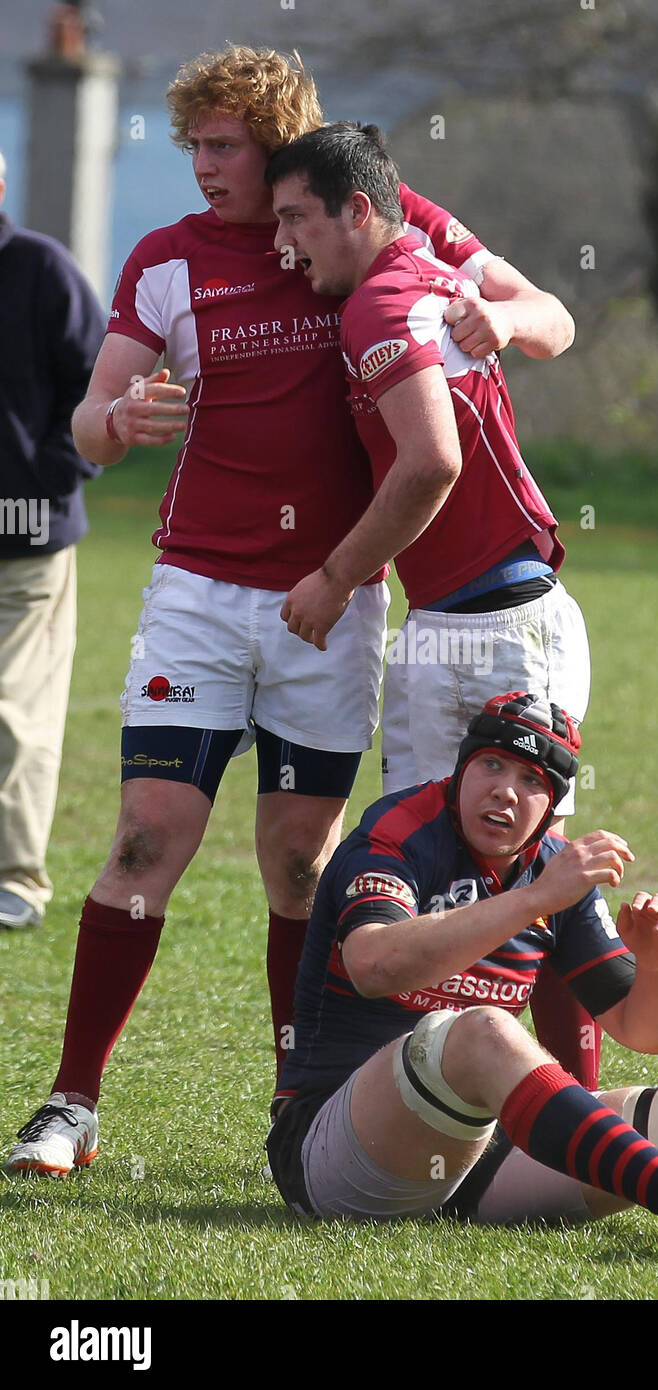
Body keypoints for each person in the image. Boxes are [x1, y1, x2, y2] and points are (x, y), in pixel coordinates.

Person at [4, 46, 575, 1177]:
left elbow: (546, 310)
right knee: (143, 839)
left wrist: (500, 322)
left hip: (335, 603)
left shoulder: (378, 217)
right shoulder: (166, 258)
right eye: (193, 146)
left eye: (224, 147)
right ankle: (70, 1102)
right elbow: (87, 421)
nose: (204, 169)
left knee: (298, 864)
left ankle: (294, 1097)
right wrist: (122, 419)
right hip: (198, 598)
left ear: (282, 151)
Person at [267, 693, 658, 1255]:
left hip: (474, 1162)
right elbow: (374, 965)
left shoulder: (554, 868)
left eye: (531, 780)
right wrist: (535, 900)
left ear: (553, 803)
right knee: (480, 1031)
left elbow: (649, 1034)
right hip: (336, 1154)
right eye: (491, 766)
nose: (504, 792)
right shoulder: (398, 831)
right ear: (460, 771)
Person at [267, 121, 599, 1088]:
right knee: (461, 866)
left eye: (296, 219)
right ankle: (454, 1091)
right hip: (475, 617)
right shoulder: (416, 246)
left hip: (499, 622)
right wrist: (507, 319)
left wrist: (333, 579)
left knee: (514, 870)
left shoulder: (382, 293)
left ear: (358, 207)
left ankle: (543, 1106)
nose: (285, 244)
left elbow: (434, 461)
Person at [0, 147, 105, 932]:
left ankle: (15, 883)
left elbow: (103, 383)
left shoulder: (42, 268)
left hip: (26, 539)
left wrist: (49, 474)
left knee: (13, 713)